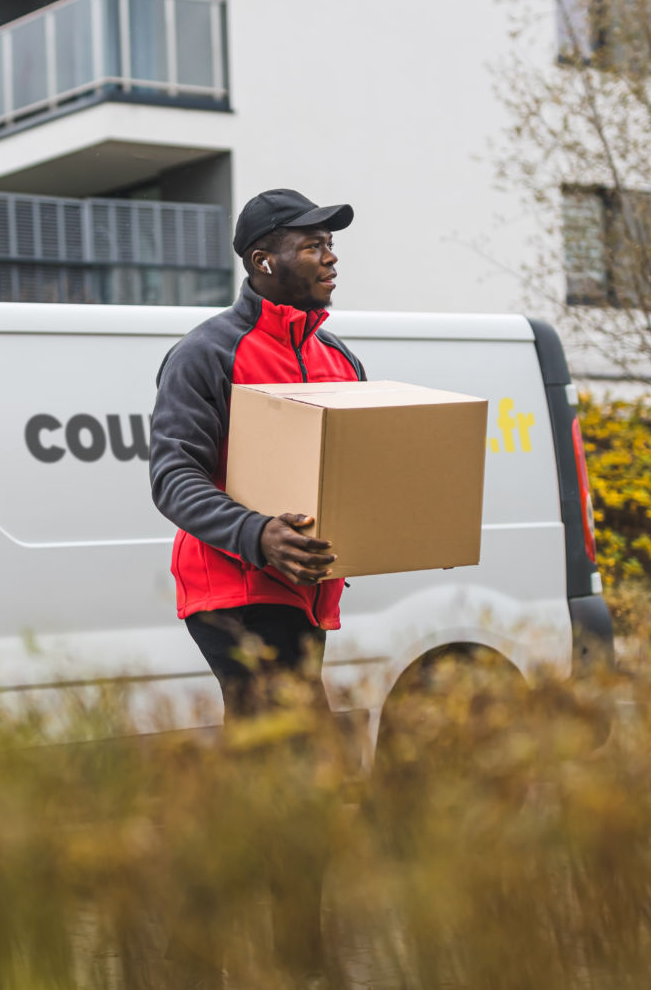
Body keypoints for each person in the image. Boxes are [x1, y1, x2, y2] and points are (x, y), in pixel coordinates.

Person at [148, 188, 364, 986]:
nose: (330, 256)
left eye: (331, 245)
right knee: (301, 759)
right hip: (230, 591)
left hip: (306, 598)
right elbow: (172, 476)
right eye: (313, 244)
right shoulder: (208, 353)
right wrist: (259, 532)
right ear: (263, 259)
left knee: (262, 764)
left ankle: (191, 943)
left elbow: (353, 484)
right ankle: (301, 957)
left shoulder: (344, 362)